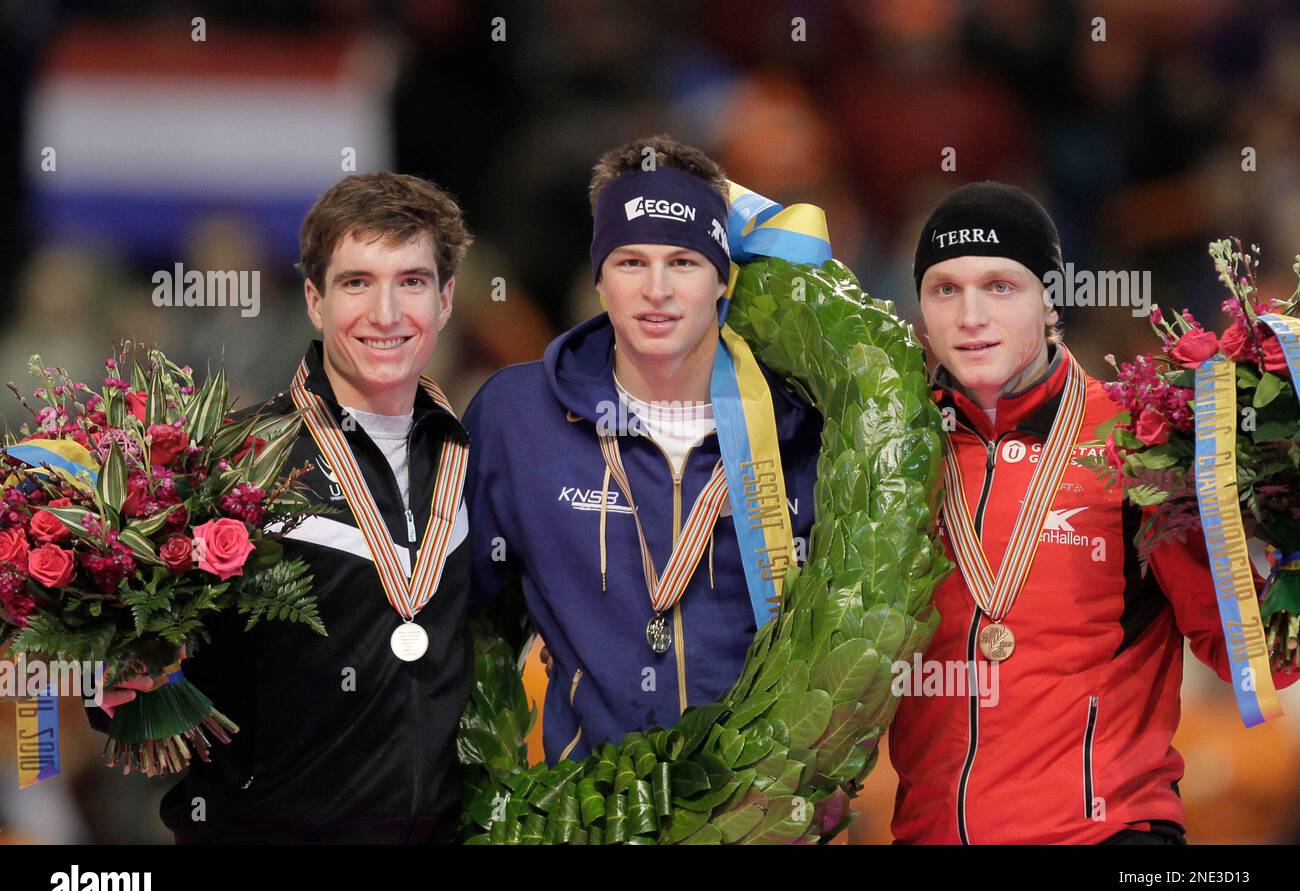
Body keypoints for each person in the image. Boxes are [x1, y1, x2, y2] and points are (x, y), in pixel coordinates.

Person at [889, 180, 1300, 844]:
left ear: (1050, 300)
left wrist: (1290, 542)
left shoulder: (1141, 437)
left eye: (1001, 286)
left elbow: (1251, 654)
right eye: (945, 289)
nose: (970, 316)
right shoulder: (892, 457)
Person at [92, 171, 474, 843]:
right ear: (314, 301)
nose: (386, 313)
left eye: (411, 282)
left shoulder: (473, 461)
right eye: (356, 282)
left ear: (445, 301)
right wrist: (121, 673)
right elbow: (115, 650)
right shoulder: (228, 464)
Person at [464, 135, 822, 763]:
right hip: (589, 812)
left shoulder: (799, 426)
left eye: (683, 262)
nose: (657, 289)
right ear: (599, 279)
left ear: (721, 280)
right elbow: (462, 613)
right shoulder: (517, 417)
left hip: (758, 815)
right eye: (630, 262)